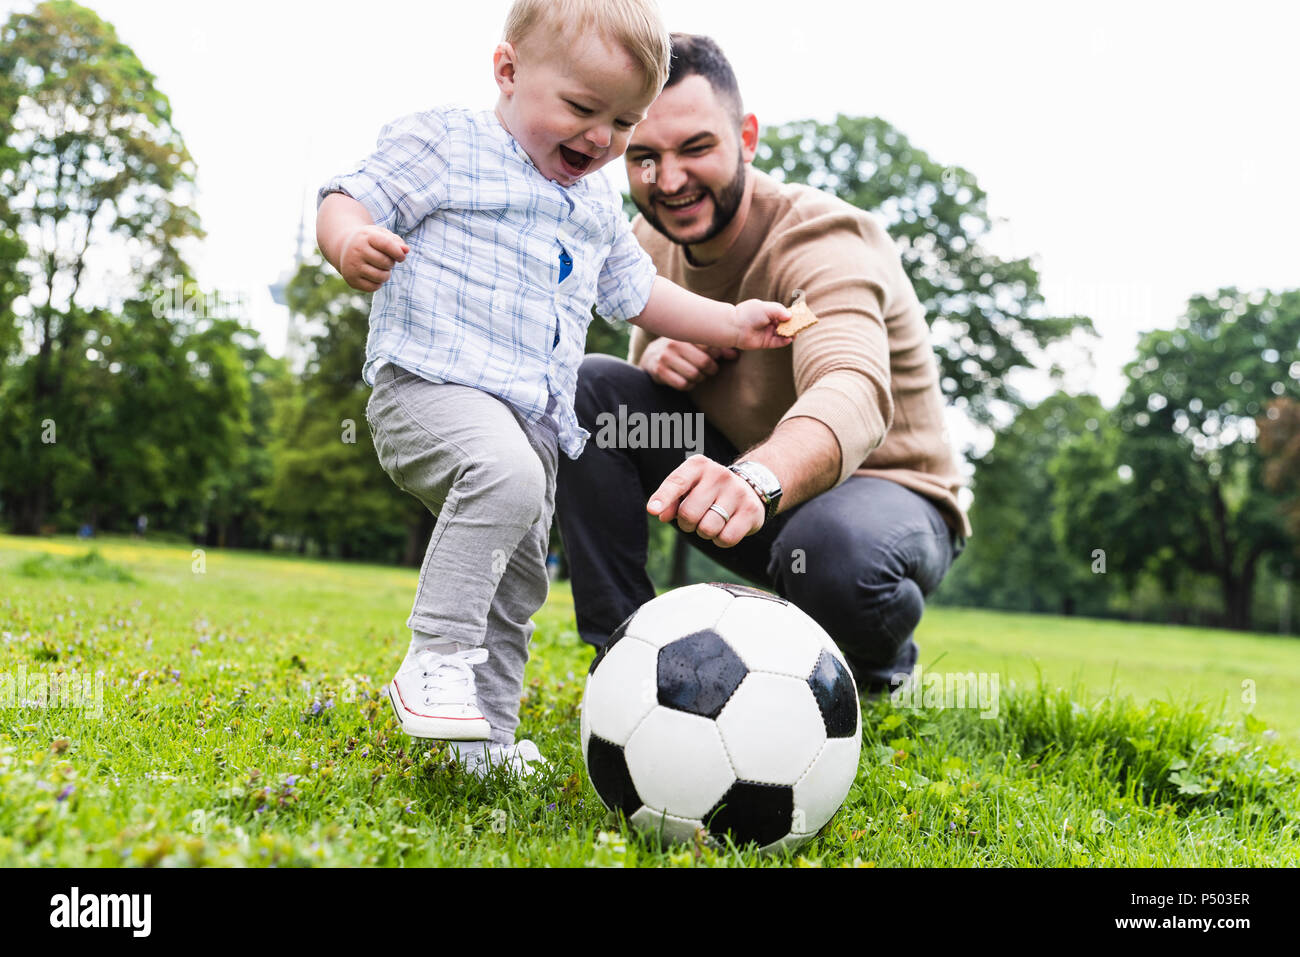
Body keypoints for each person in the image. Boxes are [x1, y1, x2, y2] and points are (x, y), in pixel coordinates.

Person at [314, 3, 791, 777]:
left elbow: (637, 295)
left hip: (530, 424)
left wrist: (731, 325)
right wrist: (349, 240)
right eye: (580, 109)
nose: (602, 139)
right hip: (429, 390)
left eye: (623, 121)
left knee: (520, 575)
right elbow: (347, 194)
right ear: (508, 73)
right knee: (501, 478)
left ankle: (486, 742)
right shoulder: (447, 142)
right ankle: (432, 658)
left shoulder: (599, 199)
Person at [555, 34, 972, 698]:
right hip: (753, 498)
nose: (669, 181)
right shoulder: (645, 243)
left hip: (886, 496)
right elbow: (634, 408)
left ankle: (875, 668)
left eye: (696, 148)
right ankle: (624, 655)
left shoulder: (823, 239)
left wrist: (755, 477)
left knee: (832, 553)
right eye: (644, 158)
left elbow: (851, 388)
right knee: (590, 389)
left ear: (746, 135)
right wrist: (657, 357)